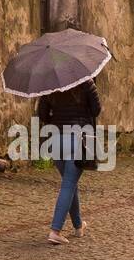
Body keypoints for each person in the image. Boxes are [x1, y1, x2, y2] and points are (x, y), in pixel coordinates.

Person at [37, 79, 101, 245]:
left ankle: (78, 225)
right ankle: (55, 231)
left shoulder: (49, 84)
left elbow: (42, 115)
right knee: (68, 185)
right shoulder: (87, 83)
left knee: (70, 182)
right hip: (78, 138)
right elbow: (96, 110)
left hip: (56, 139)